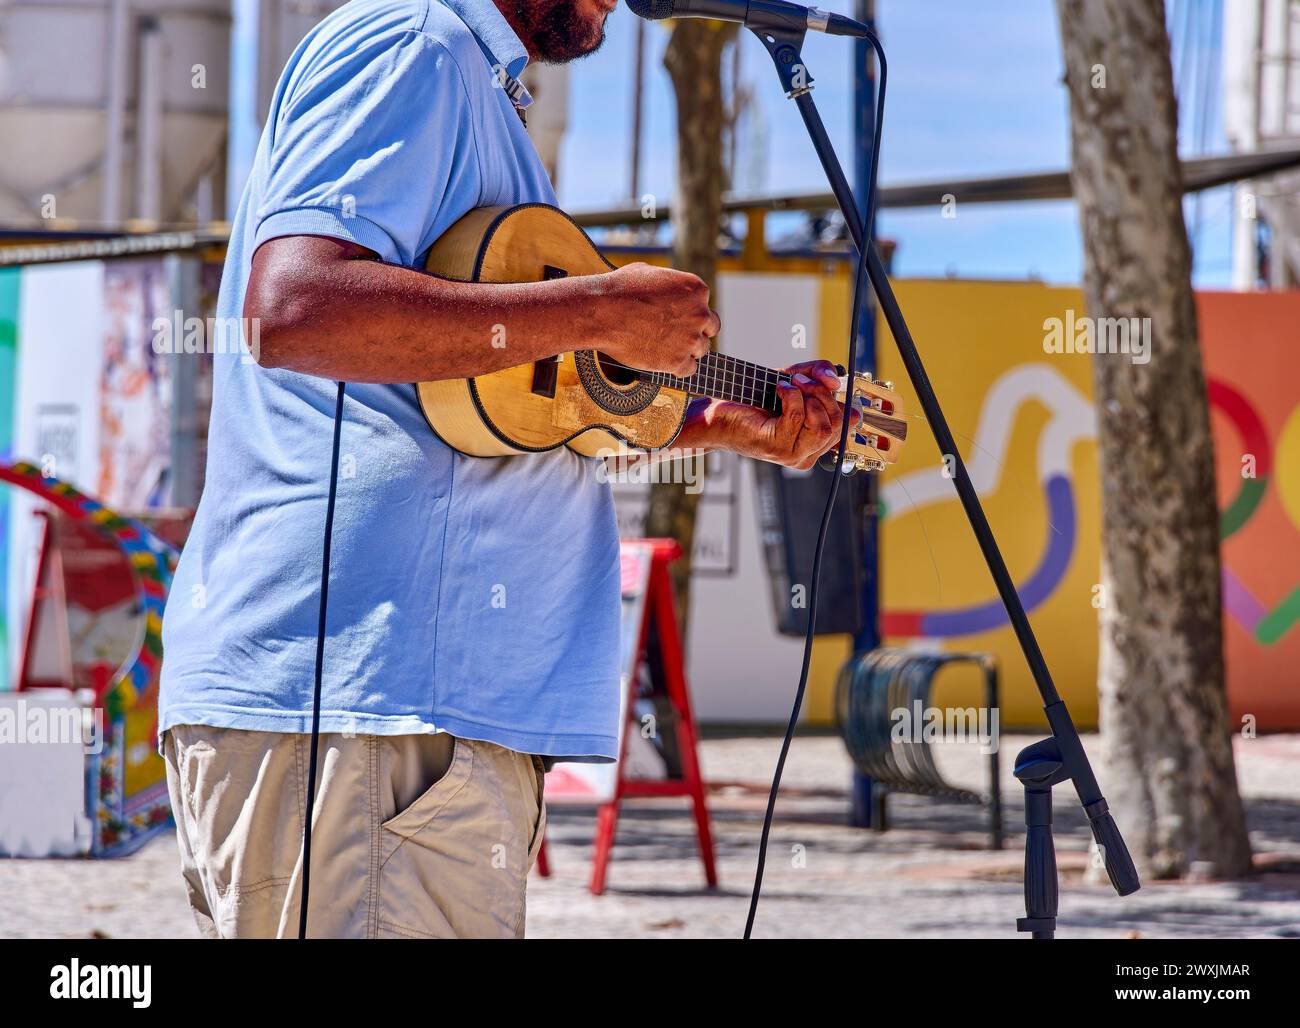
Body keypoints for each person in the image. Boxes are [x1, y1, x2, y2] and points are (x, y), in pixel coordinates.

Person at [159, 0, 850, 938]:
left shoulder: (478, 94)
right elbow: (294, 310)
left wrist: (725, 424)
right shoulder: (414, 44)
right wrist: (596, 311)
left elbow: (524, 408)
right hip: (371, 707)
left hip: (402, 722)